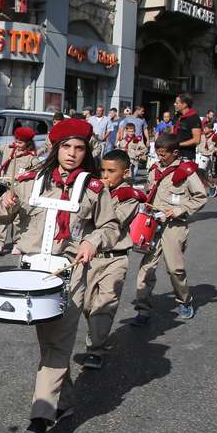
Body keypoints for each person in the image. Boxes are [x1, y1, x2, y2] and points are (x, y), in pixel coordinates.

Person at [0, 119, 118, 433]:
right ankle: (65, 401)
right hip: (34, 272)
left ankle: (40, 417)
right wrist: (5, 205)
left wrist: (94, 240)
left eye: (79, 148)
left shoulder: (95, 188)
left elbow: (111, 226)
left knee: (58, 344)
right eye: (66, 147)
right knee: (49, 341)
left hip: (72, 272)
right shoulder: (31, 180)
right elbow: (2, 214)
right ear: (55, 148)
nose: (73, 154)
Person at [131, 132, 205, 324]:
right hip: (152, 224)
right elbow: (150, 190)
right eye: (157, 153)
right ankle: (143, 309)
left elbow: (200, 197)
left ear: (175, 152)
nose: (160, 157)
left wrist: (179, 210)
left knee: (175, 269)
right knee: (146, 269)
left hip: (174, 226)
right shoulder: (154, 169)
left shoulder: (186, 171)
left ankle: (184, 299)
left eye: (164, 154)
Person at [80, 149, 144, 370]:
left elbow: (112, 222)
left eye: (111, 171)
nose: (105, 175)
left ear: (125, 173)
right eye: (102, 170)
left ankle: (95, 349)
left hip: (115, 258)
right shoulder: (93, 191)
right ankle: (97, 333)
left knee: (104, 304)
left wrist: (103, 194)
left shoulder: (130, 197)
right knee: (86, 304)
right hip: (90, 257)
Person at [0, 126, 38, 255]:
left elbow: (38, 171)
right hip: (7, 188)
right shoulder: (9, 149)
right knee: (3, 215)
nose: (17, 144)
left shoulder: (31, 157)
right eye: (16, 140)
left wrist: (25, 175)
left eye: (20, 142)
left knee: (18, 218)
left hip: (21, 190)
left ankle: (17, 243)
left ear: (27, 143)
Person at [171, 94, 203, 161]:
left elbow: (197, 140)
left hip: (186, 156)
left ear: (184, 104)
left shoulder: (194, 118)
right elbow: (172, 131)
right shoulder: (176, 116)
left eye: (177, 103)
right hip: (173, 154)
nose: (174, 104)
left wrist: (179, 144)